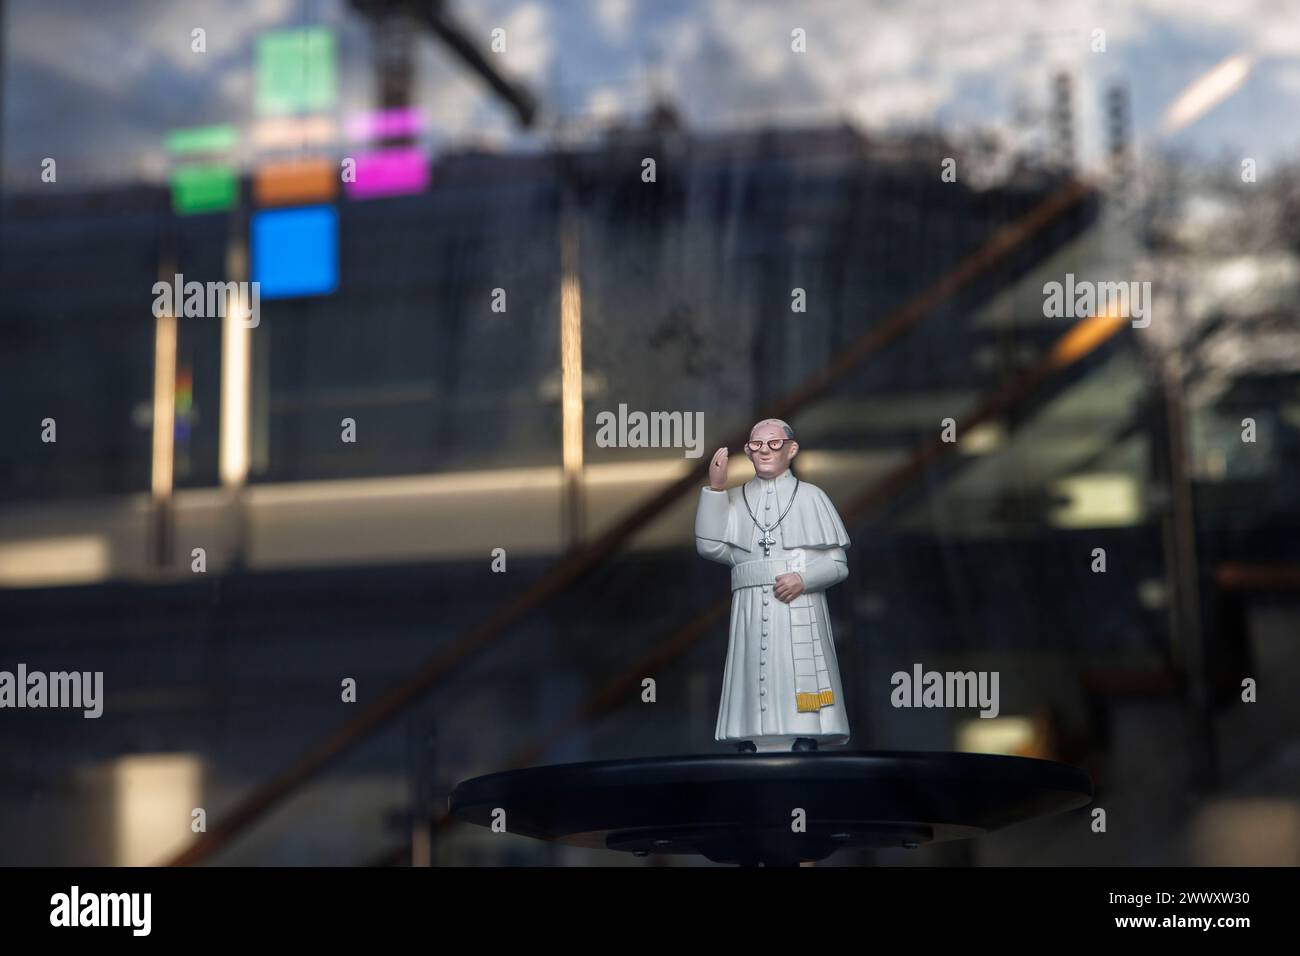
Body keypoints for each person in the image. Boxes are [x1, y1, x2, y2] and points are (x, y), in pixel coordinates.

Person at [696, 418, 851, 753]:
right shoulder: (735, 499)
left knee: (792, 671)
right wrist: (716, 490)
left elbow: (837, 564)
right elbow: (711, 547)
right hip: (750, 605)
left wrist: (804, 579)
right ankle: (750, 737)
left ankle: (803, 735)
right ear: (748, 452)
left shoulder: (811, 497)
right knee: (751, 672)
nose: (764, 451)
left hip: (797, 604)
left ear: (792, 450)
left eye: (774, 444)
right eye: (756, 445)